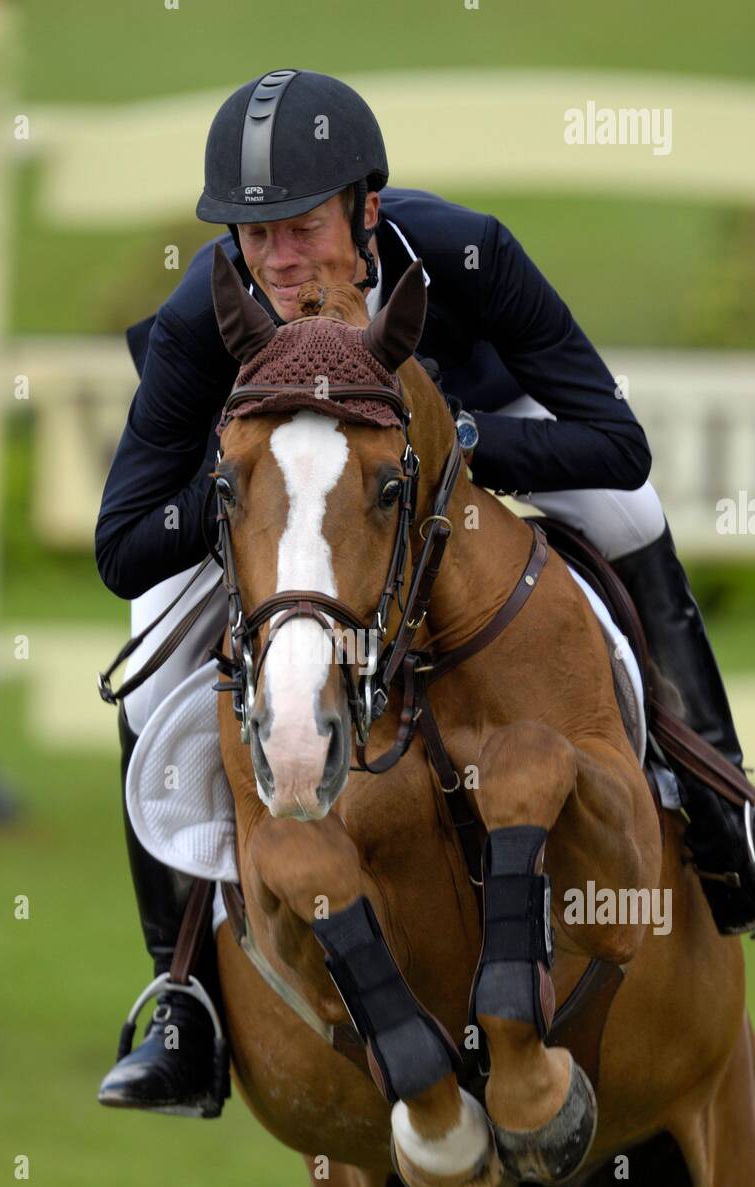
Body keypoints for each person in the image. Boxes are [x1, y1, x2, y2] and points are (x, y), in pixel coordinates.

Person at [94, 68, 755, 1119]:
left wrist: (446, 448)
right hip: (288, 508)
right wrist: (245, 488)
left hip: (473, 447)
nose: (277, 260)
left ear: (366, 207)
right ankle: (183, 1003)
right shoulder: (198, 317)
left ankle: (719, 817)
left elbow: (614, 443)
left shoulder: (465, 250)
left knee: (627, 510)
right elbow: (124, 544)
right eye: (251, 235)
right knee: (142, 645)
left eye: (301, 228)